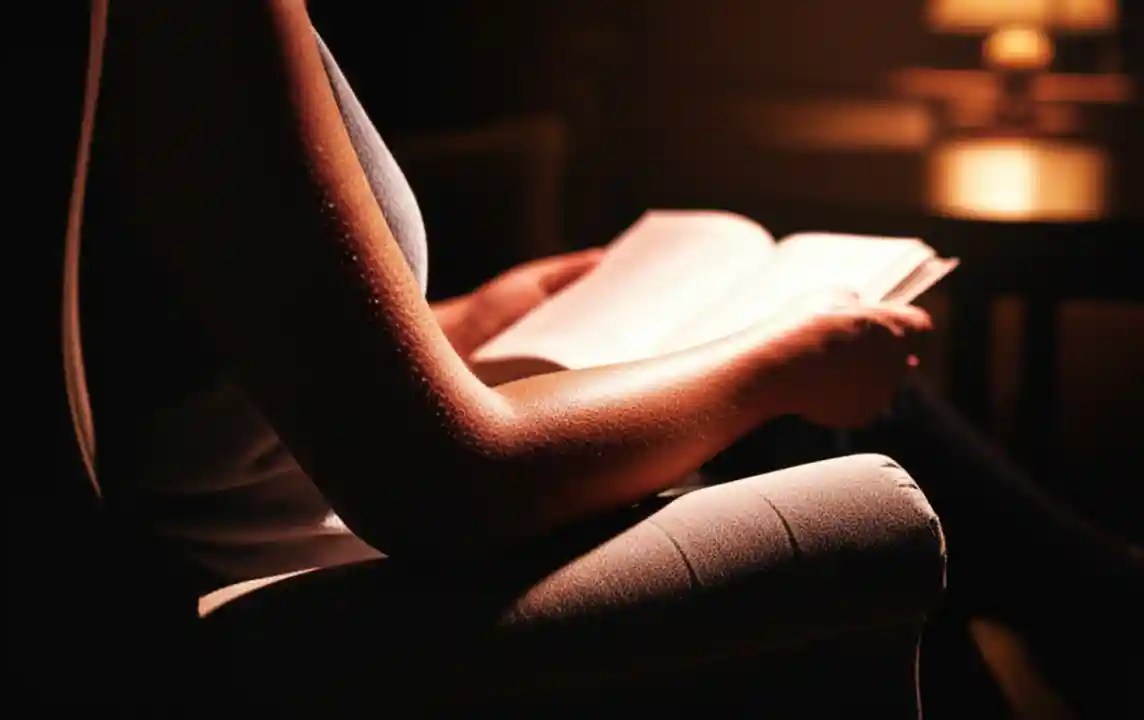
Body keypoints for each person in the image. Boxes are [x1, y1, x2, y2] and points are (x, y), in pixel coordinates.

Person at [77, 0, 1139, 711]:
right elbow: (444, 485)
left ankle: (1099, 614)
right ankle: (1102, 617)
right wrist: (774, 366)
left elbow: (209, 375)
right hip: (290, 580)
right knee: (808, 410)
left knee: (820, 396)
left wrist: (468, 316)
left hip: (312, 500)